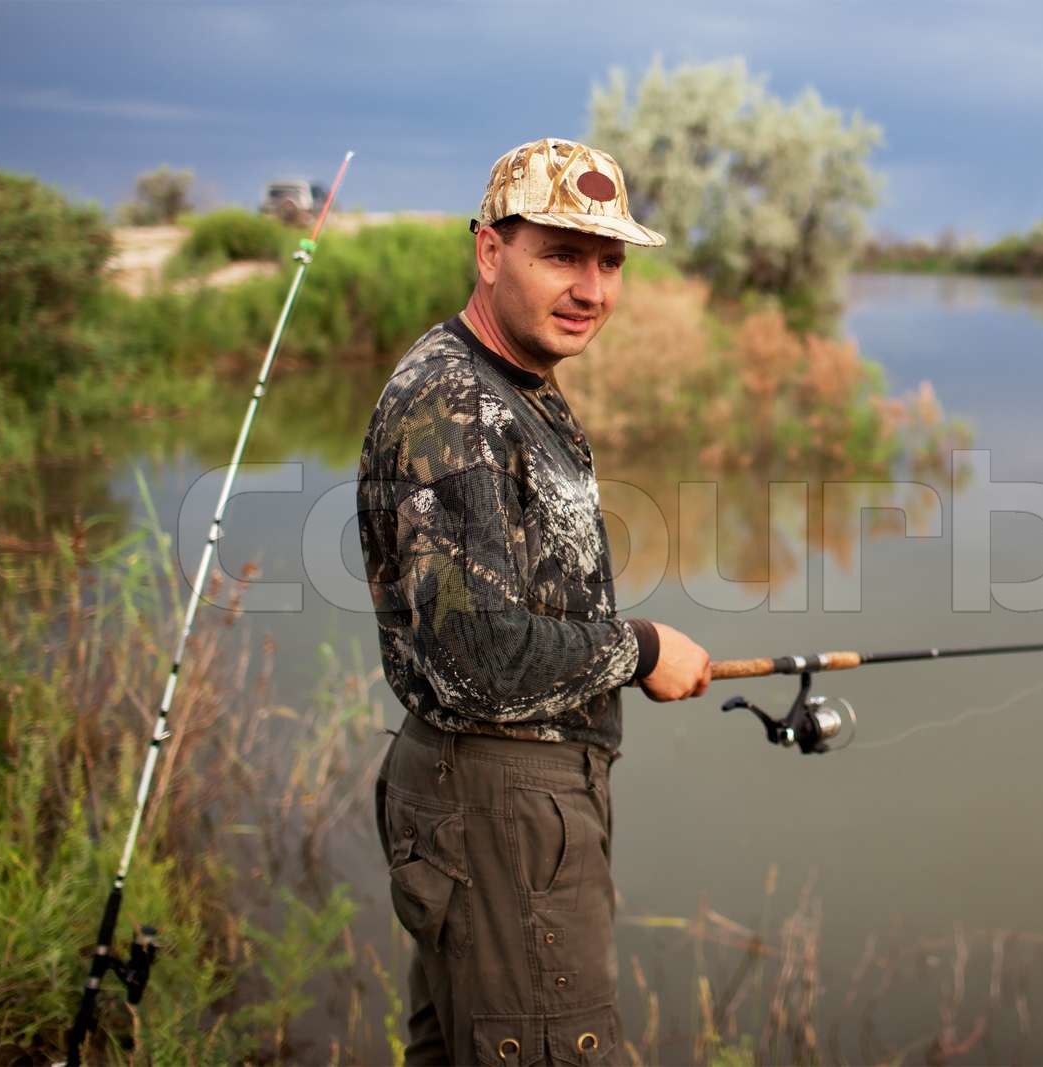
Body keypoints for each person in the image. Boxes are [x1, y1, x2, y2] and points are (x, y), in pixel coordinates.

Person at [356, 138, 712, 1066]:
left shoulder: (511, 383)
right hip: (501, 804)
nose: (591, 289)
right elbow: (479, 658)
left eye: (609, 262)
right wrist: (641, 649)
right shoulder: (458, 405)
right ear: (490, 251)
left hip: (502, 805)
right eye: (561, 255)